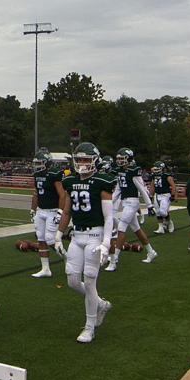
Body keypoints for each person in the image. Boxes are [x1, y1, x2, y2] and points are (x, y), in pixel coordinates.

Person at [57, 142, 115, 343]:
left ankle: (89, 327)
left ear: (95, 161)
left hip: (95, 236)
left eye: (86, 159)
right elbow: (66, 211)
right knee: (72, 281)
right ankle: (100, 303)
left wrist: (106, 243)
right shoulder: (70, 181)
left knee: (90, 281)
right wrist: (58, 235)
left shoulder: (102, 181)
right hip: (77, 236)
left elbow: (109, 217)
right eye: (79, 159)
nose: (82, 163)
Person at [107, 147, 157, 270]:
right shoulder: (120, 171)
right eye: (118, 159)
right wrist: (109, 202)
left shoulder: (134, 170)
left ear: (129, 158)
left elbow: (142, 189)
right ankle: (151, 252)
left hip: (132, 202)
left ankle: (114, 260)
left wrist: (149, 205)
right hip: (125, 202)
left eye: (122, 159)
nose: (119, 161)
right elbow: (119, 189)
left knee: (121, 227)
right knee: (137, 229)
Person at [28, 148, 63, 278]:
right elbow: (36, 194)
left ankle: (68, 258)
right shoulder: (37, 175)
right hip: (41, 211)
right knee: (41, 239)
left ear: (47, 162)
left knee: (50, 239)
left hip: (52, 211)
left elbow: (62, 195)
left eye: (39, 162)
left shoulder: (54, 174)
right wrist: (32, 209)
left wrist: (60, 211)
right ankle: (45, 269)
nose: (37, 165)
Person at [150, 162, 178, 234]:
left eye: (157, 168)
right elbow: (152, 186)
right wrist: (151, 195)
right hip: (157, 194)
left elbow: (173, 186)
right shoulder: (154, 176)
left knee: (163, 212)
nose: (155, 170)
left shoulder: (167, 176)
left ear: (162, 168)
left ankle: (169, 222)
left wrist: (173, 195)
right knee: (158, 212)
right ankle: (161, 228)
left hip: (165, 195)